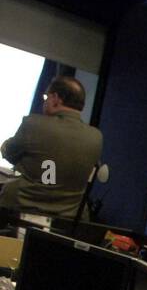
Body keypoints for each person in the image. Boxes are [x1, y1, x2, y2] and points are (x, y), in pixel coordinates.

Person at [0, 75, 104, 220]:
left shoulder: (33, 124)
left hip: (20, 208)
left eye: (46, 97)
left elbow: (9, 153)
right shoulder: (96, 137)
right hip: (69, 217)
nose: (45, 102)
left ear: (55, 98)